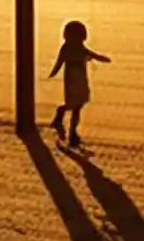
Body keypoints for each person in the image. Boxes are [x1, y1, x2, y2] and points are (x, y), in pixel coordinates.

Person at [47, 20, 111, 148]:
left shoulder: (74, 47)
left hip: (78, 78)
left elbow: (91, 55)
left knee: (77, 105)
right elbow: (60, 62)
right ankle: (68, 127)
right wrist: (53, 72)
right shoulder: (70, 47)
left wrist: (103, 59)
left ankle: (71, 131)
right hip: (73, 79)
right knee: (76, 105)